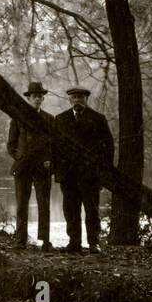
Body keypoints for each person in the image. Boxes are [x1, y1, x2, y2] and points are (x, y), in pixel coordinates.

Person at [52, 85, 114, 253]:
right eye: (74, 97)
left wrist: (104, 173)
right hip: (68, 175)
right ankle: (74, 242)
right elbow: (54, 148)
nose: (77, 100)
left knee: (92, 210)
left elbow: (108, 147)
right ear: (69, 100)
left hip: (91, 175)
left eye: (81, 97)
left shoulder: (98, 119)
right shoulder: (60, 119)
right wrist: (58, 172)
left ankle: (93, 243)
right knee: (71, 210)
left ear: (87, 99)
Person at [7, 80, 53, 250]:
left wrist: (49, 160)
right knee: (21, 205)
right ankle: (20, 241)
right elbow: (11, 144)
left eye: (40, 97)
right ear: (28, 98)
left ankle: (45, 241)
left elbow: (53, 144)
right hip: (23, 168)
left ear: (43, 99)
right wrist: (19, 158)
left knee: (44, 205)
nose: (37, 99)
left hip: (43, 168)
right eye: (34, 96)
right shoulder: (18, 118)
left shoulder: (49, 119)